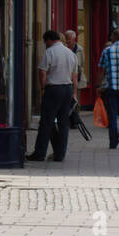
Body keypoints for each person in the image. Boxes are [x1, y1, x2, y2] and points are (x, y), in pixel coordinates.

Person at [26, 30, 78, 162]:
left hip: (53, 88)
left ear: (49, 40)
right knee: (63, 123)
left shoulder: (50, 52)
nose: (45, 44)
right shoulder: (71, 53)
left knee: (46, 122)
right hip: (67, 88)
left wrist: (43, 88)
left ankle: (39, 153)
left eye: (45, 42)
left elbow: (42, 72)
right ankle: (60, 154)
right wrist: (74, 93)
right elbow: (74, 76)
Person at [64, 29, 86, 126]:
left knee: (76, 100)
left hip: (78, 77)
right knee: (67, 100)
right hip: (66, 77)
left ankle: (75, 120)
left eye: (69, 39)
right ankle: (68, 119)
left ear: (74, 39)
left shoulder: (79, 49)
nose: (67, 41)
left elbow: (82, 63)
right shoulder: (64, 49)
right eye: (66, 39)